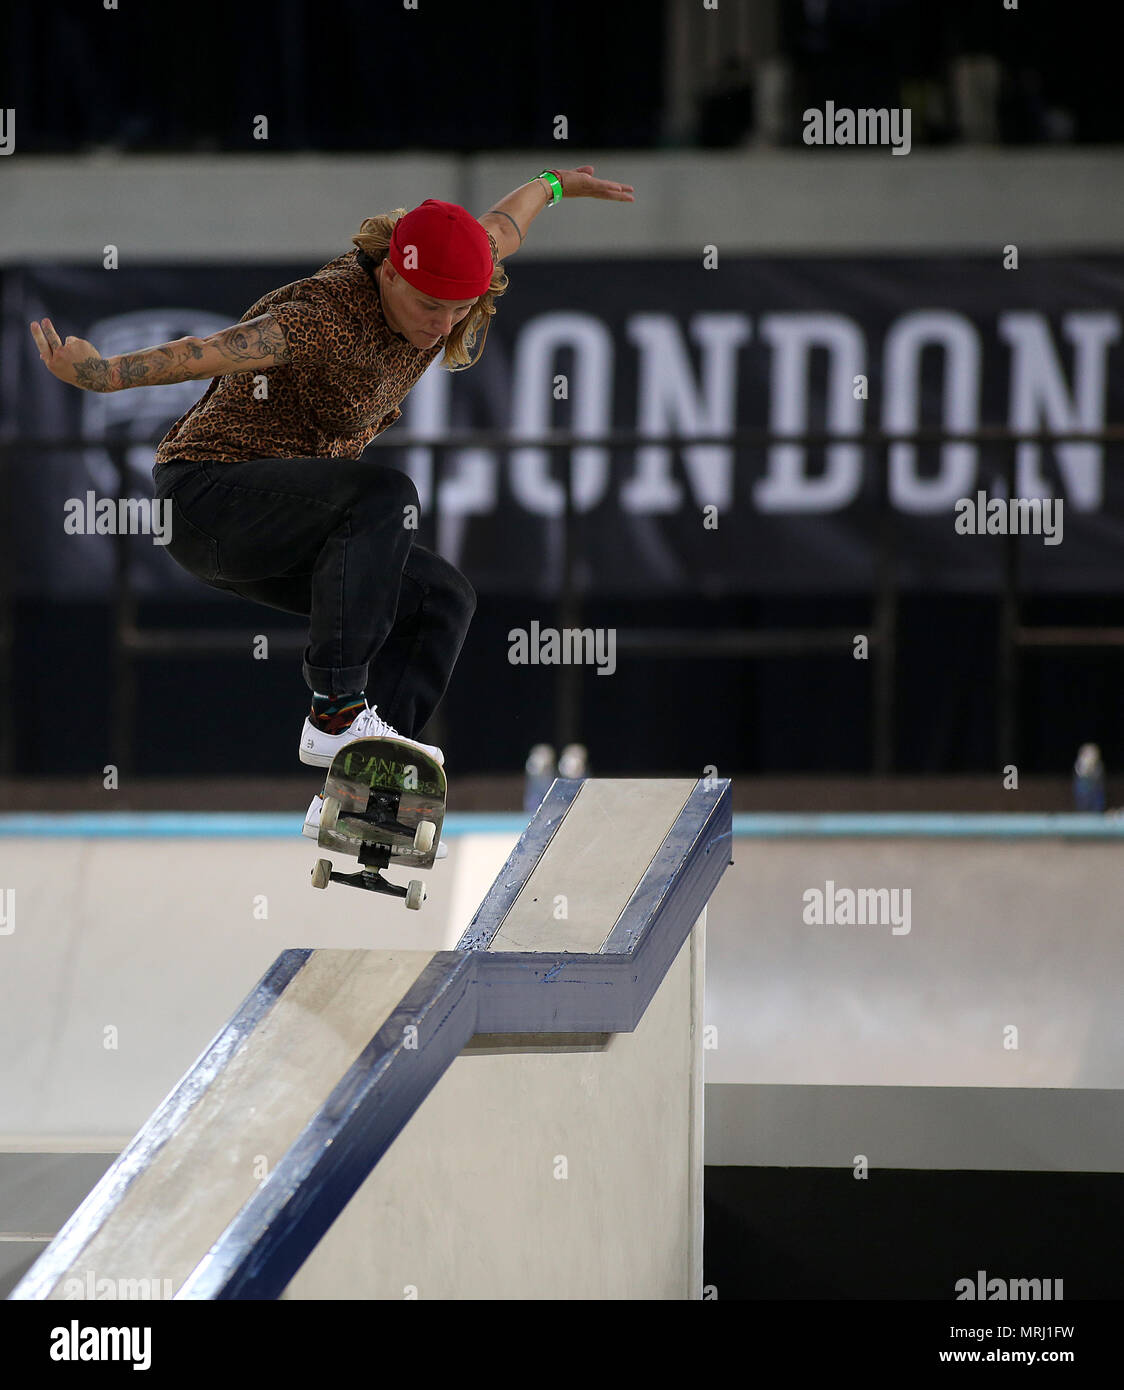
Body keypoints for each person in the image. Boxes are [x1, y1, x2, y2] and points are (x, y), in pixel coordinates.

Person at [29, 167, 635, 837]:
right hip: (208, 497)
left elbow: (503, 224)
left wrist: (555, 183)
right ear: (391, 275)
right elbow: (208, 351)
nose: (440, 326)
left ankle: (368, 792)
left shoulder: (463, 270)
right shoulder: (326, 317)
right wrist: (107, 373)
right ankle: (337, 713)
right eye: (429, 305)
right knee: (383, 497)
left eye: (458, 309)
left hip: (282, 530)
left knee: (440, 598)